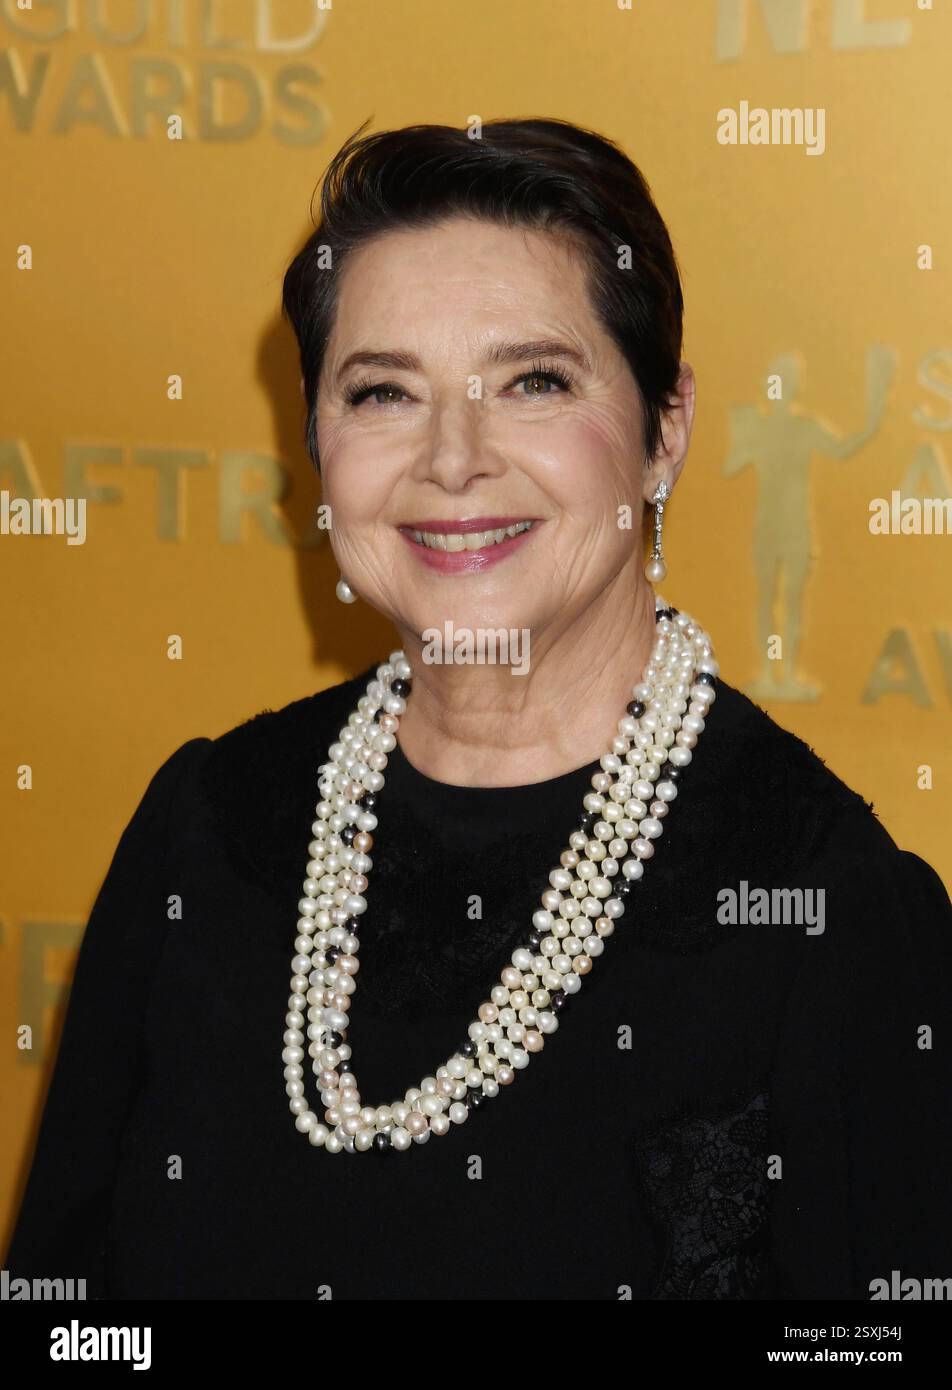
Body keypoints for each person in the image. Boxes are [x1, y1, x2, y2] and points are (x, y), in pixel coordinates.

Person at [6, 118, 951, 1300]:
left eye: (533, 381)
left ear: (666, 431)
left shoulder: (823, 907)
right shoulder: (207, 831)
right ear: (315, 441)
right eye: (383, 390)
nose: (453, 459)